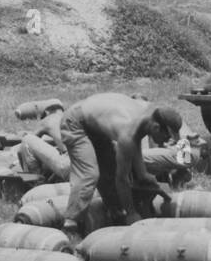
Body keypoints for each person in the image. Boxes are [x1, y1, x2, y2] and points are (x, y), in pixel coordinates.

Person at [59, 93, 182, 239]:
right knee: (90, 174)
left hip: (96, 124)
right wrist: (131, 214)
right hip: (75, 123)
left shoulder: (149, 112)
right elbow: (122, 179)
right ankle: (70, 224)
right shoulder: (127, 134)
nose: (167, 141)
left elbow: (136, 141)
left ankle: (114, 212)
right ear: (156, 127)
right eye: (167, 136)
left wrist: (144, 175)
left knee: (109, 170)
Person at [17, 100, 69, 181]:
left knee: (27, 140)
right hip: (86, 167)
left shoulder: (48, 120)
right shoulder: (70, 119)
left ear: (47, 112)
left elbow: (27, 144)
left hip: (69, 166)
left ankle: (34, 182)